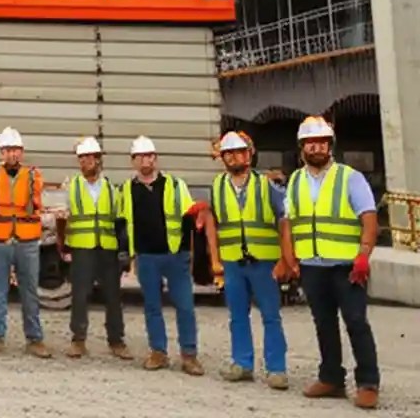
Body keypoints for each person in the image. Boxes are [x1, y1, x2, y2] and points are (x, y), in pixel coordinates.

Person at [280, 115, 380, 410]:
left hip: (346, 265)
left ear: (330, 146)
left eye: (321, 142)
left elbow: (369, 217)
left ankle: (368, 382)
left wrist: (363, 254)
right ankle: (331, 378)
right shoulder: (296, 180)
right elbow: (289, 221)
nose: (316, 148)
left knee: (356, 322)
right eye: (310, 143)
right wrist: (291, 259)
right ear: (302, 148)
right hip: (313, 265)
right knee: (323, 323)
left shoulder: (350, 177)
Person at [201, 131, 290, 389]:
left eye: (239, 152)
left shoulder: (266, 186)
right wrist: (215, 260)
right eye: (229, 154)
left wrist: (286, 260)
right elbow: (212, 223)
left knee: (271, 316)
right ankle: (243, 363)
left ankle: (276, 368)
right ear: (223, 158)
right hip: (233, 264)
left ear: (249, 155)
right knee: (237, 316)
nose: (234, 158)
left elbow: (285, 221)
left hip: (264, 262)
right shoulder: (218, 186)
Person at [120, 135, 209, 375]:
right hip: (146, 257)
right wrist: (127, 254)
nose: (146, 161)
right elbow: (124, 222)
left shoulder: (174, 184)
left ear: (156, 159)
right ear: (133, 161)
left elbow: (190, 215)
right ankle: (158, 352)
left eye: (150, 156)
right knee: (152, 307)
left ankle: (189, 355)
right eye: (141, 157)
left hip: (175, 255)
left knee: (185, 306)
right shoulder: (126, 190)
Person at [0, 126, 50, 358]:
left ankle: (35, 339)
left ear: (22, 152)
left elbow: (39, 203)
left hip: (27, 241)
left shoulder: (33, 175)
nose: (12, 155)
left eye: (16, 150)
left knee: (29, 291)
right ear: (1, 152)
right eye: (8, 150)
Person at [57, 136, 131, 360]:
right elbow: (62, 217)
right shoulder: (71, 186)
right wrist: (63, 245)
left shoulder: (111, 187)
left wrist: (123, 251)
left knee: (113, 296)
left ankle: (116, 341)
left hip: (107, 248)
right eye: (82, 158)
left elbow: (120, 220)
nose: (86, 161)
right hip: (82, 248)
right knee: (80, 295)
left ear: (99, 160)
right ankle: (78, 340)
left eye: (90, 157)